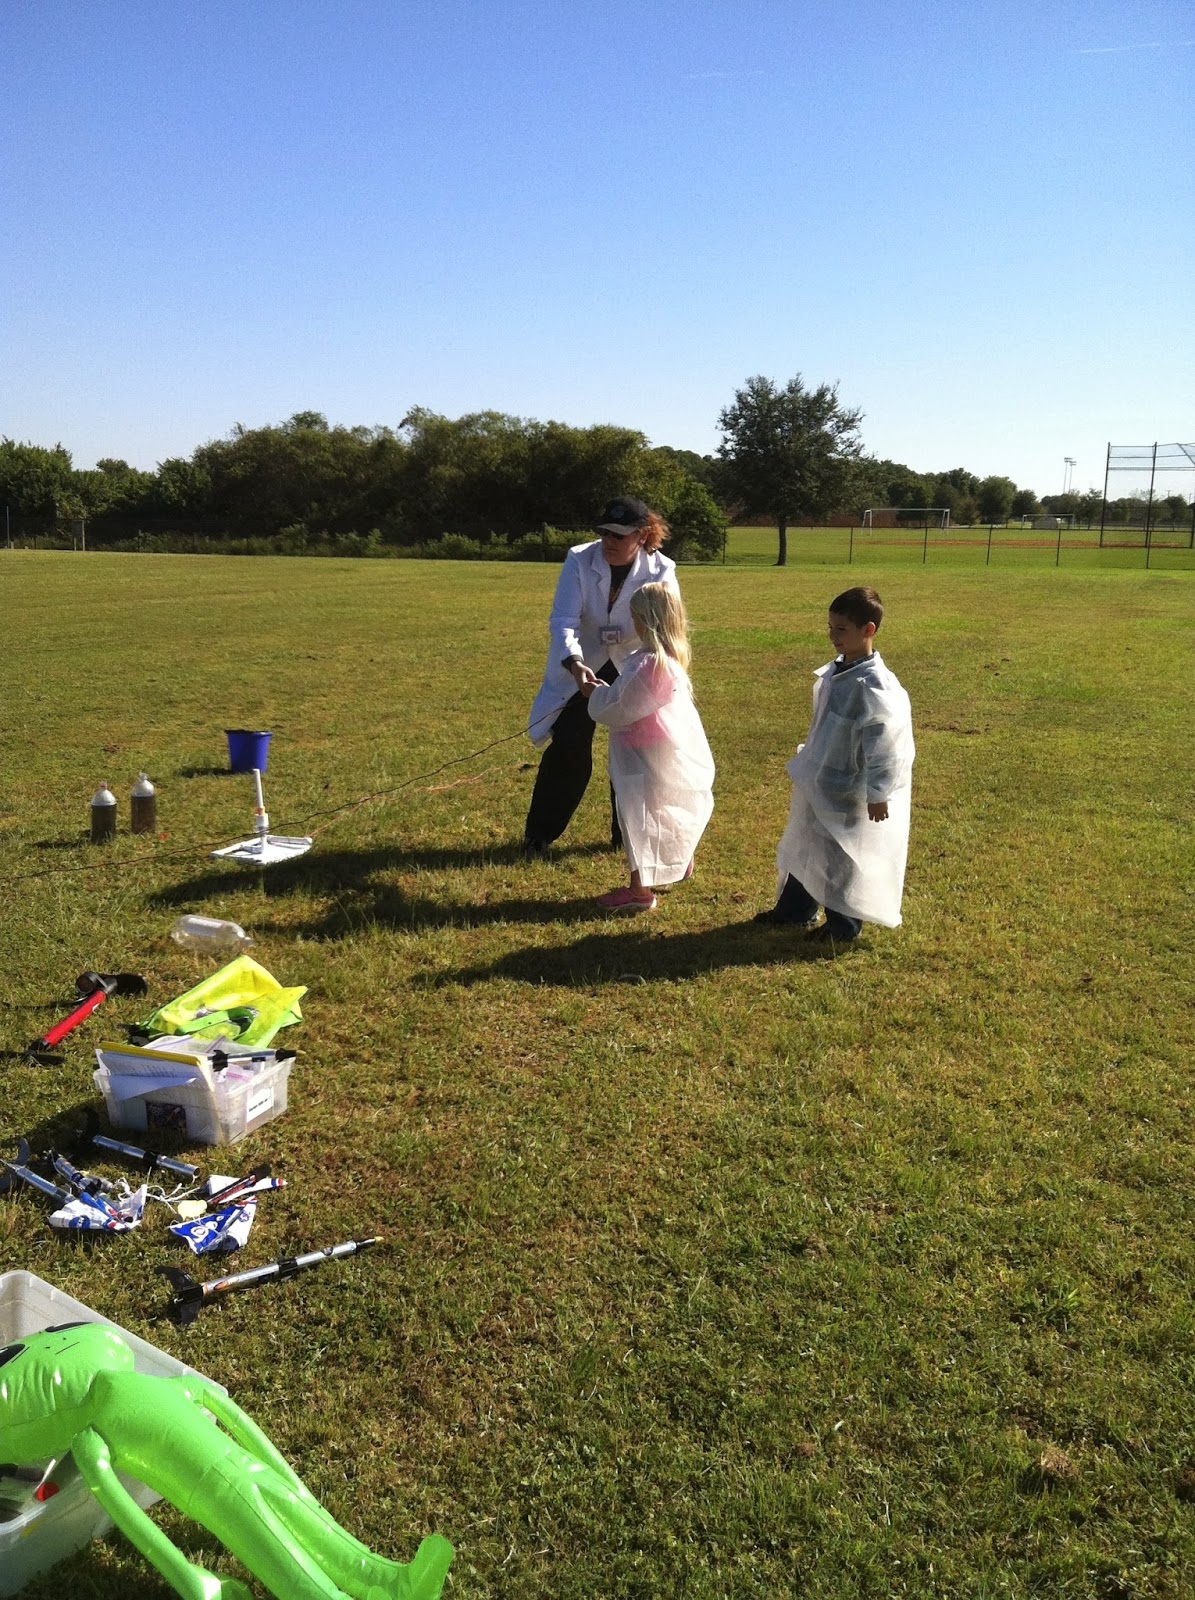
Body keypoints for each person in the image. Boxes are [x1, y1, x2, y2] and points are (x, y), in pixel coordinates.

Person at [756, 585, 914, 946]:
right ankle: (795, 910)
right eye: (830, 627)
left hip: (849, 787)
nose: (832, 636)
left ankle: (844, 925)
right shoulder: (839, 672)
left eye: (841, 630)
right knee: (807, 843)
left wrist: (878, 792)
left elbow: (885, 745)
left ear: (868, 630)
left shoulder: (874, 687)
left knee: (842, 856)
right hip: (822, 777)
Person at [524, 497, 679, 855]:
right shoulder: (580, 558)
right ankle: (540, 834)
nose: (609, 540)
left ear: (641, 536)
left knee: (633, 750)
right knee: (569, 745)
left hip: (635, 661)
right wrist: (576, 665)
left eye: (620, 535)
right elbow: (563, 621)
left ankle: (627, 835)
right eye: (605, 532)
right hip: (583, 660)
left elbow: (666, 628)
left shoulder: (661, 570)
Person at [582, 582, 715, 913]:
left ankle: (639, 890)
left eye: (635, 617)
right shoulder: (664, 659)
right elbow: (631, 697)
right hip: (655, 745)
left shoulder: (650, 663)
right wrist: (608, 690)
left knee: (637, 815)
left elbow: (623, 707)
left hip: (642, 752)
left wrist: (596, 695)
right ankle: (678, 860)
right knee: (661, 808)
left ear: (646, 619)